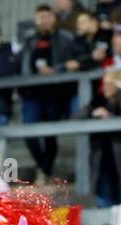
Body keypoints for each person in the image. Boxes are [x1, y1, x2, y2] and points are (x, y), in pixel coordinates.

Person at [21, 5, 78, 178]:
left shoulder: (66, 38)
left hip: (57, 93)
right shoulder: (29, 40)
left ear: (53, 18)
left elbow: (73, 63)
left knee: (50, 134)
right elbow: (23, 65)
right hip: (33, 94)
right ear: (35, 20)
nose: (44, 21)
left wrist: (56, 70)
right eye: (40, 17)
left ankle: (46, 170)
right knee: (28, 132)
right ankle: (44, 168)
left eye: (47, 16)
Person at [80, 69, 121, 206]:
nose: (105, 87)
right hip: (103, 169)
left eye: (110, 83)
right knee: (105, 216)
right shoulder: (98, 102)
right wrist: (93, 113)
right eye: (104, 84)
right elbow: (76, 117)